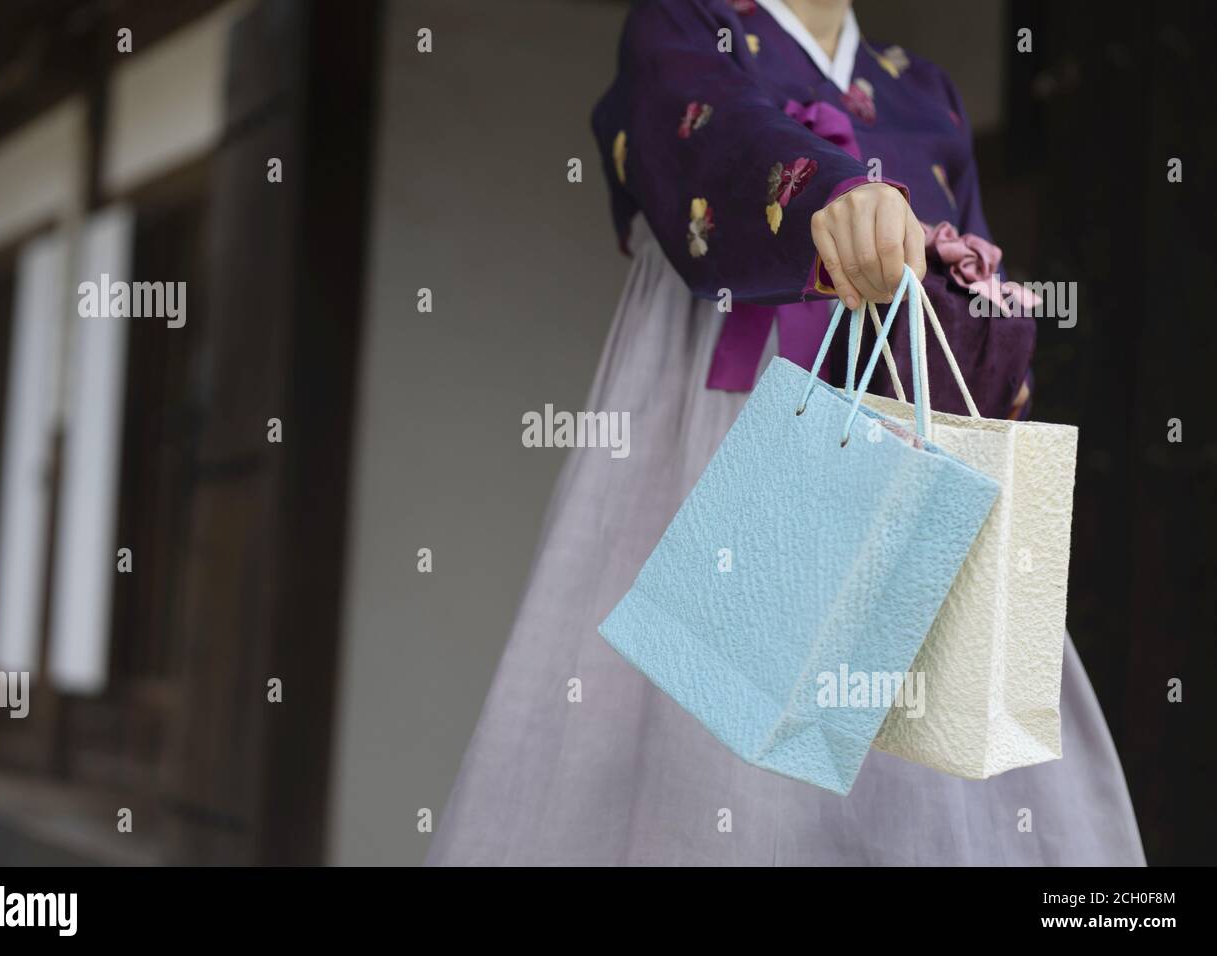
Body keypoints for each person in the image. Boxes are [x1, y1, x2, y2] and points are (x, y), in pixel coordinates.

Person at [426, 0, 1145, 865]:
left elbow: (971, 308)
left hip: (901, 454)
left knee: (926, 771)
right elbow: (706, 139)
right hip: (712, 444)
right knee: (700, 771)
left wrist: (963, 281)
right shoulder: (681, 25)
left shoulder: (925, 92)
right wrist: (834, 197)